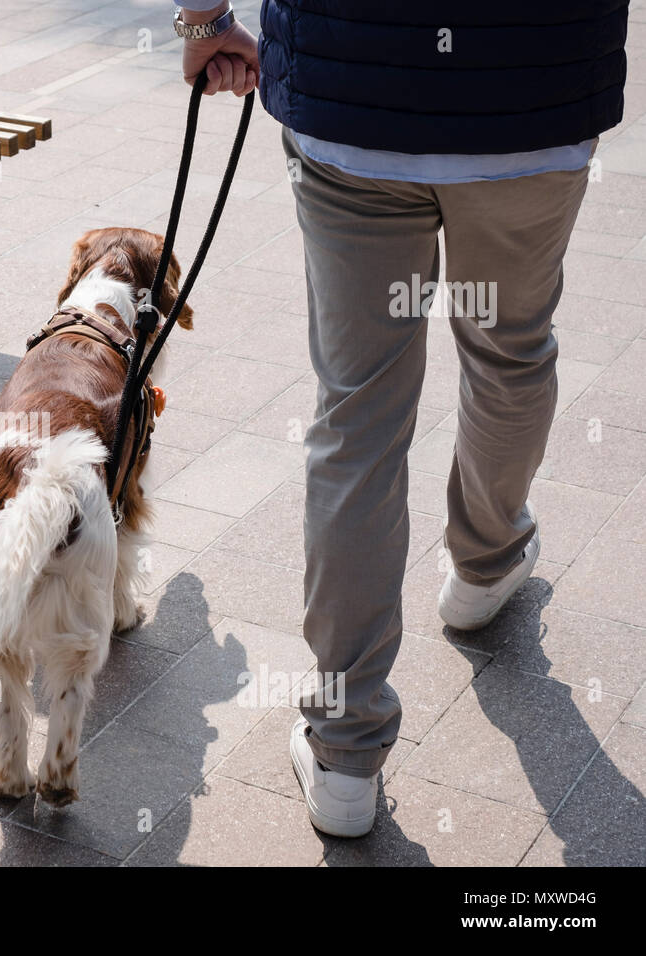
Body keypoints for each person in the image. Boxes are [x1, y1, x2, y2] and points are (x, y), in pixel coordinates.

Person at [173, 0, 629, 837]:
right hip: (536, 96)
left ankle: (346, 751)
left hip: (354, 100)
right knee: (511, 351)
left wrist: (202, 23)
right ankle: (487, 563)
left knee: (358, 411)